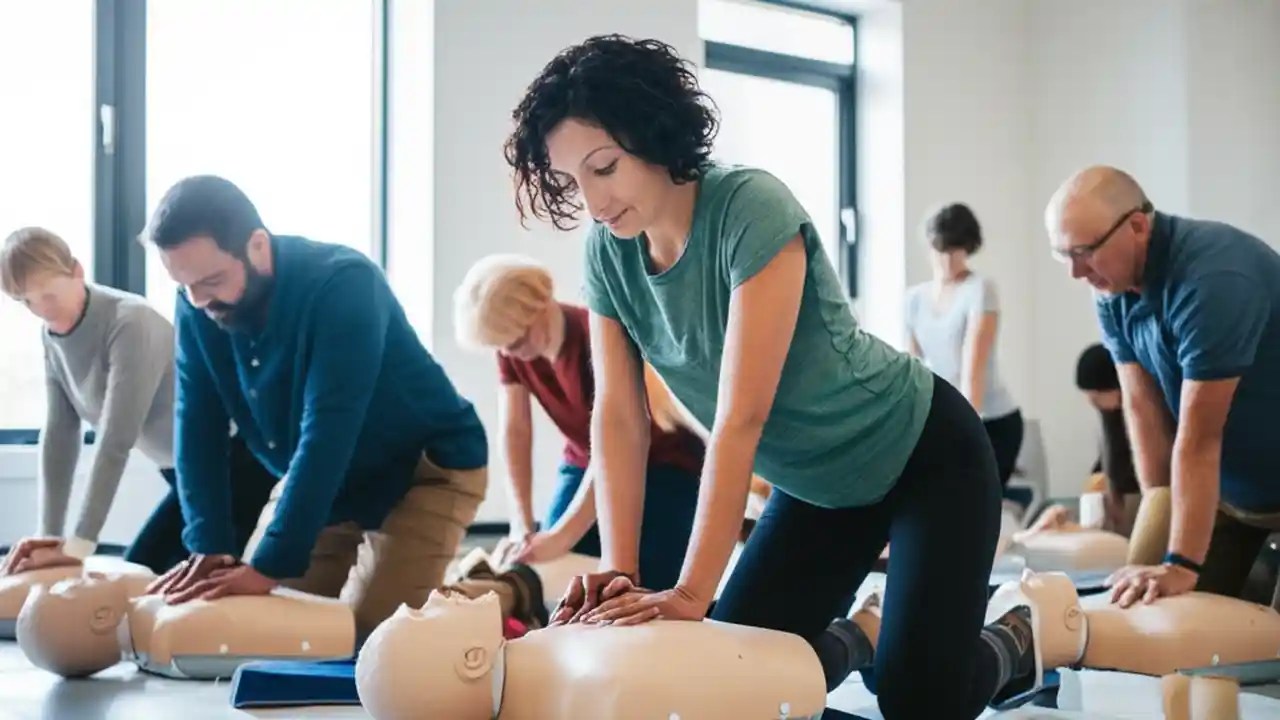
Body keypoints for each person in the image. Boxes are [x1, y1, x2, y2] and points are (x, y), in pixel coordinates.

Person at [502, 34, 1051, 717]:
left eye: (604, 168)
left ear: (650, 133)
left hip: (925, 454)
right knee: (735, 687)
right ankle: (860, 633)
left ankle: (1019, 637)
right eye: (571, 182)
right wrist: (620, 573)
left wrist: (692, 593)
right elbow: (617, 418)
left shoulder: (749, 208)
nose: (593, 201)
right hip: (817, 489)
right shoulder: (608, 254)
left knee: (917, 701)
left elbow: (740, 416)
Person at [137, 175, 489, 638]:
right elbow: (197, 428)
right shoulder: (198, 303)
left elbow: (328, 430)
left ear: (257, 246)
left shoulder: (345, 284)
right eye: (184, 286)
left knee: (375, 637)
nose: (199, 301)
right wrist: (210, 548)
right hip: (326, 482)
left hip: (424, 471)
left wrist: (270, 563)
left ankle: (499, 587)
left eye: (211, 281)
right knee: (271, 626)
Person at [1045, 165, 1280, 609]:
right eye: (1063, 256)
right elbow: (1141, 407)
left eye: (1085, 251)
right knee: (1140, 601)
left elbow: (1199, 435)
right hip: (1230, 492)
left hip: (1246, 464)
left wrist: (1181, 564)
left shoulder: (1214, 279)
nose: (1076, 272)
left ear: (1136, 225)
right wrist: (1160, 514)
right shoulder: (1111, 290)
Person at [0, 227, 273, 576]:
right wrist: (50, 537)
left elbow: (116, 438)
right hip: (182, 472)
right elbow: (59, 433)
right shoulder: (51, 334)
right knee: (151, 580)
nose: (41, 310)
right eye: (26, 301)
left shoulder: (130, 321)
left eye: (48, 294)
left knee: (142, 574)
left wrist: (81, 544)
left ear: (77, 272)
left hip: (236, 463)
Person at [453, 254, 705, 590]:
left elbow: (615, 442)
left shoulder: (596, 337)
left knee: (644, 583)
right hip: (584, 458)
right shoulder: (512, 350)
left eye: (516, 342)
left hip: (661, 462)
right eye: (503, 347)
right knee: (546, 565)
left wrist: (561, 536)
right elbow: (515, 433)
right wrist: (522, 524)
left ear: (540, 304)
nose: (511, 354)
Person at [905, 203, 1024, 491]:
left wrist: (964, 437)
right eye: (942, 249)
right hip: (946, 419)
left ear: (968, 248)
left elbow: (974, 371)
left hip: (990, 422)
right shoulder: (914, 299)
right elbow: (913, 371)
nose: (948, 259)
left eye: (956, 250)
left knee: (971, 508)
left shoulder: (980, 289)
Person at [1075, 342, 1140, 534]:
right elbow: (1108, 452)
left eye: (1096, 395)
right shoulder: (1109, 413)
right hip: (1121, 482)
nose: (1090, 401)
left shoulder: (1143, 409)